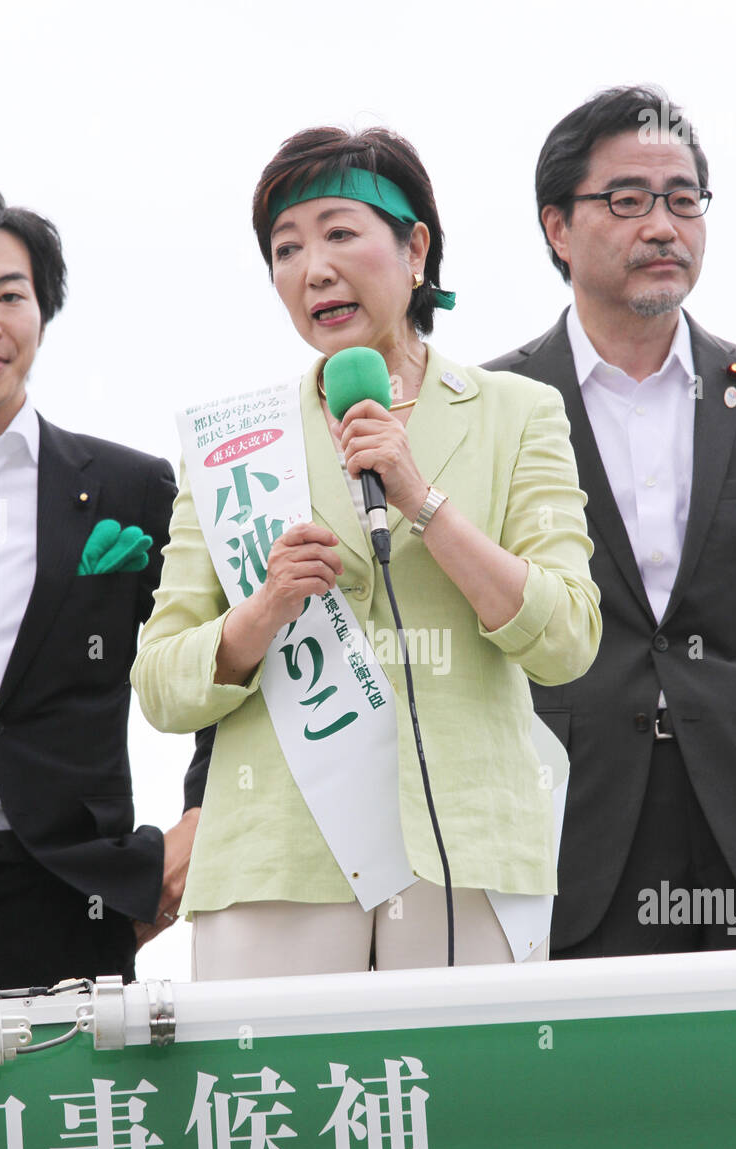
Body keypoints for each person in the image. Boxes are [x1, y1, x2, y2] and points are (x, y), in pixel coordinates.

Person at [131, 125, 601, 979]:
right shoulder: (236, 445)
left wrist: (423, 502)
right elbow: (162, 684)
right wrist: (265, 611)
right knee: (286, 1109)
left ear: (415, 246)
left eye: (340, 233)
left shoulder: (517, 413)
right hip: (279, 856)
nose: (313, 269)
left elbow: (567, 637)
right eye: (286, 248)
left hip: (465, 852)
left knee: (462, 1107)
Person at [485, 86, 736, 957]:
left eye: (683, 200)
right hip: (574, 808)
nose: (663, 226)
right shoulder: (499, 404)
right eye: (628, 200)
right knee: (590, 1081)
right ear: (557, 228)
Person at [0, 176, 210, 992]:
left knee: (80, 1119)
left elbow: (220, 657)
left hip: (76, 897)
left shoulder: (128, 489)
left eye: (9, 294)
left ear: (43, 308)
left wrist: (196, 827)